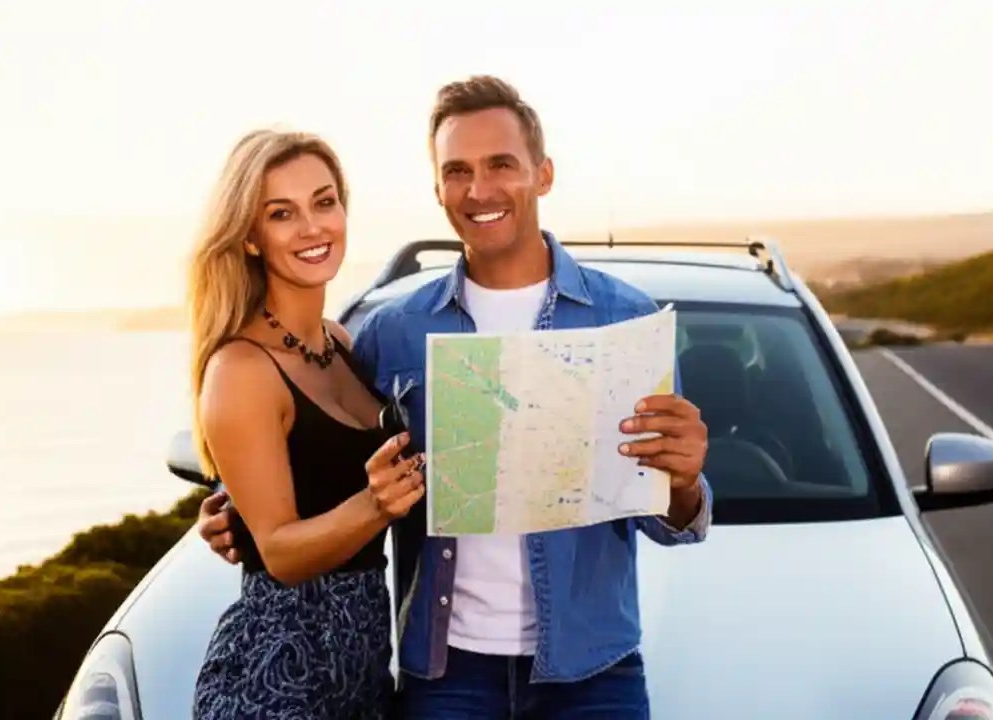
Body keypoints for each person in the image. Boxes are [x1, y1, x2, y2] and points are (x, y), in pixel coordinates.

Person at [198, 75, 712, 718]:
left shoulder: (626, 322)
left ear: (543, 174)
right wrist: (236, 512)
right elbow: (312, 455)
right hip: (447, 677)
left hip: (594, 674)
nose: (479, 189)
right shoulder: (390, 332)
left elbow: (667, 518)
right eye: (458, 171)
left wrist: (684, 482)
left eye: (501, 164)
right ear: (438, 189)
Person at [187, 128, 425, 720]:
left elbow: (307, 472)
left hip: (361, 675)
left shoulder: (338, 342)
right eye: (281, 213)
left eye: (324, 202)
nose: (312, 227)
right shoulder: (242, 368)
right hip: (275, 684)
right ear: (249, 237)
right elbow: (280, 553)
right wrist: (376, 504)